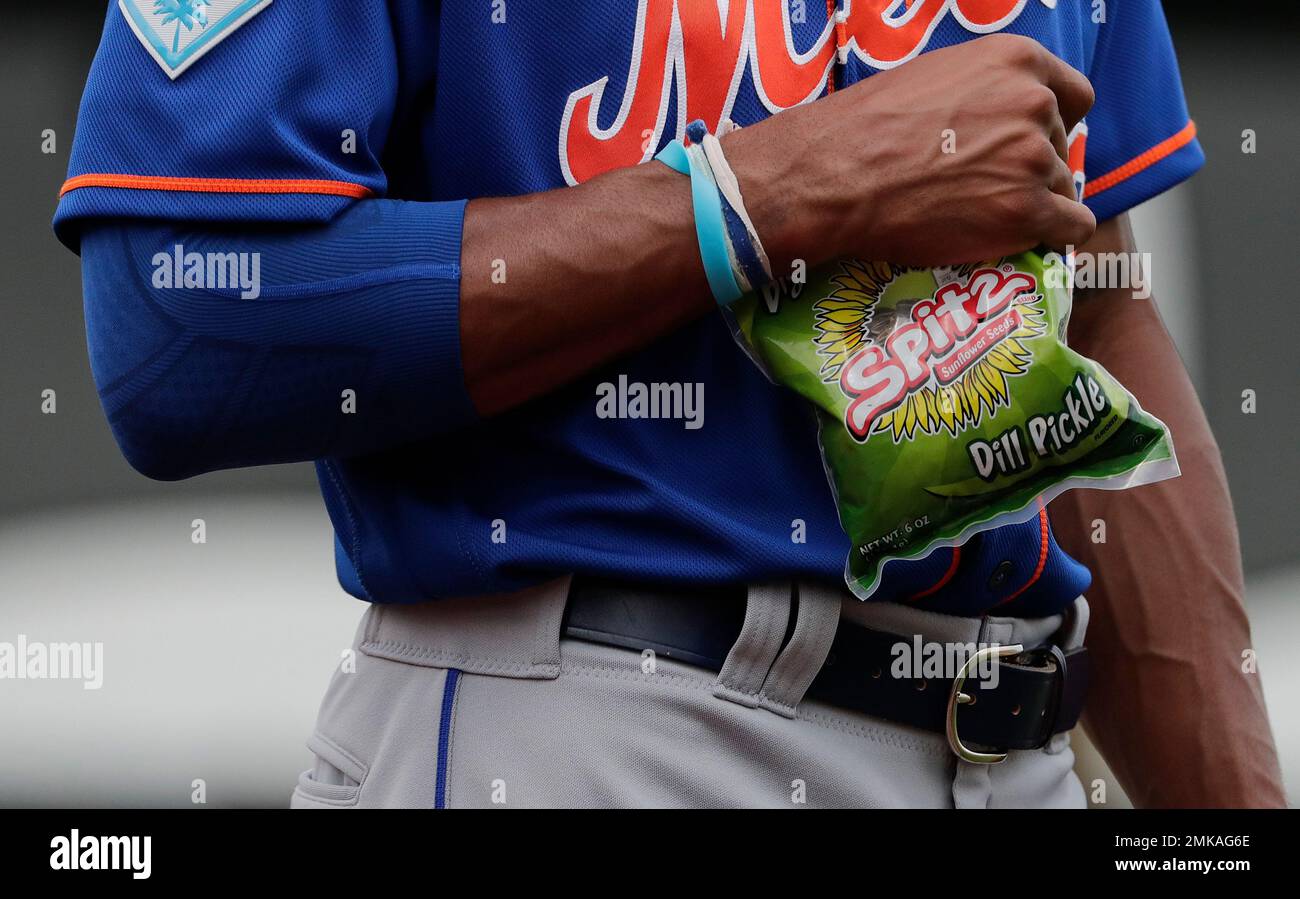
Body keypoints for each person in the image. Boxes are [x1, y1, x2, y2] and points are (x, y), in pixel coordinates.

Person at [55, 0, 1283, 807]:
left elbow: (1099, 310)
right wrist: (765, 195)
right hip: (599, 724)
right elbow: (180, 324)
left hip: (1015, 748)